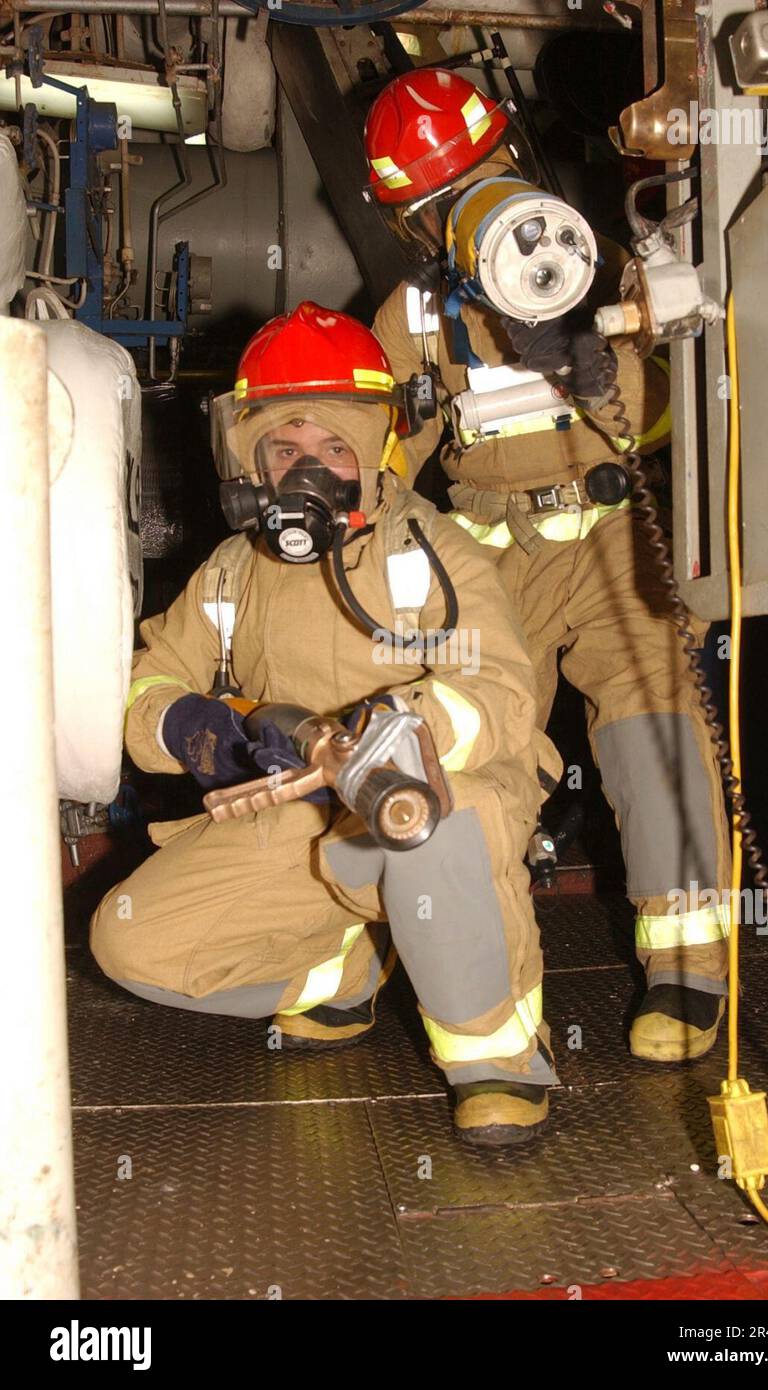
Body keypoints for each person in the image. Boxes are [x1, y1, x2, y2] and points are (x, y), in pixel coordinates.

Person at [90, 301, 563, 1147]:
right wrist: (193, 728)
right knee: (130, 944)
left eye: (332, 449)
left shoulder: (431, 555)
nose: (306, 470)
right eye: (284, 450)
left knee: (424, 823)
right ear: (249, 464)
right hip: (301, 809)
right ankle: (344, 968)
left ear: (376, 453)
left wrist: (390, 731)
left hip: (435, 795)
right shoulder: (231, 575)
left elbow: (500, 691)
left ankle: (493, 1057)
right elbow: (143, 684)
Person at [365, 70, 731, 1062]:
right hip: (494, 555)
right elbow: (381, 463)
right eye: (439, 201)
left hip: (615, 537)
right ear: (412, 221)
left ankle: (689, 966)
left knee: (656, 717)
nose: (469, 208)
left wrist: (615, 366)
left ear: (515, 160)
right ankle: (476, 996)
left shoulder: (605, 263)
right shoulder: (414, 313)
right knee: (478, 747)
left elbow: (674, 417)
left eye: (481, 176)